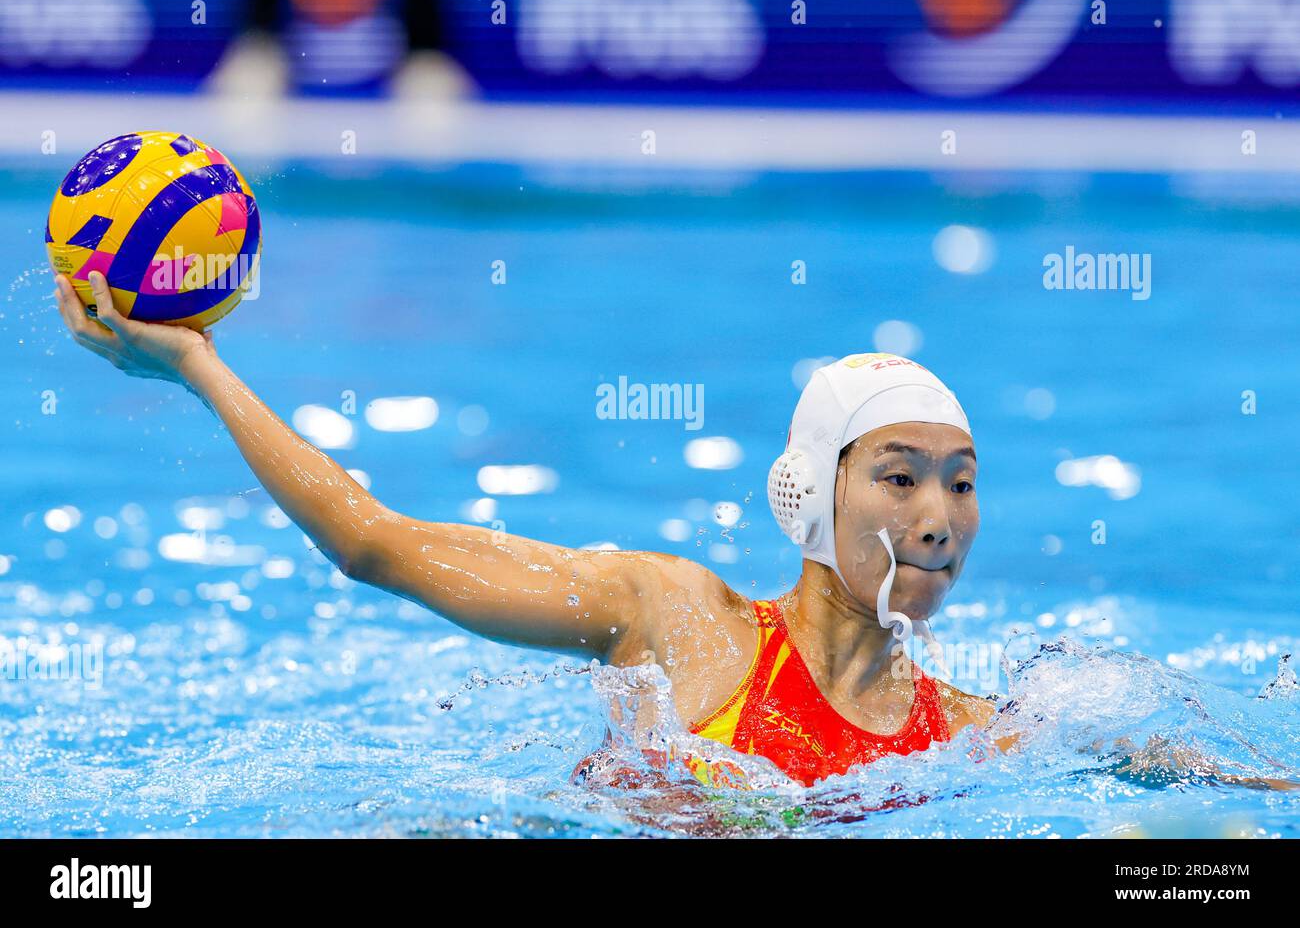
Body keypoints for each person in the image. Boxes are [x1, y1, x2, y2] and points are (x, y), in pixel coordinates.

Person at [54, 272, 1295, 794]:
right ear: (809, 494)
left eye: (962, 483)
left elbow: (1187, 780)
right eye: (900, 475)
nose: (936, 518)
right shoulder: (678, 622)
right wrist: (199, 371)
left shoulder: (968, 735)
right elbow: (373, 545)